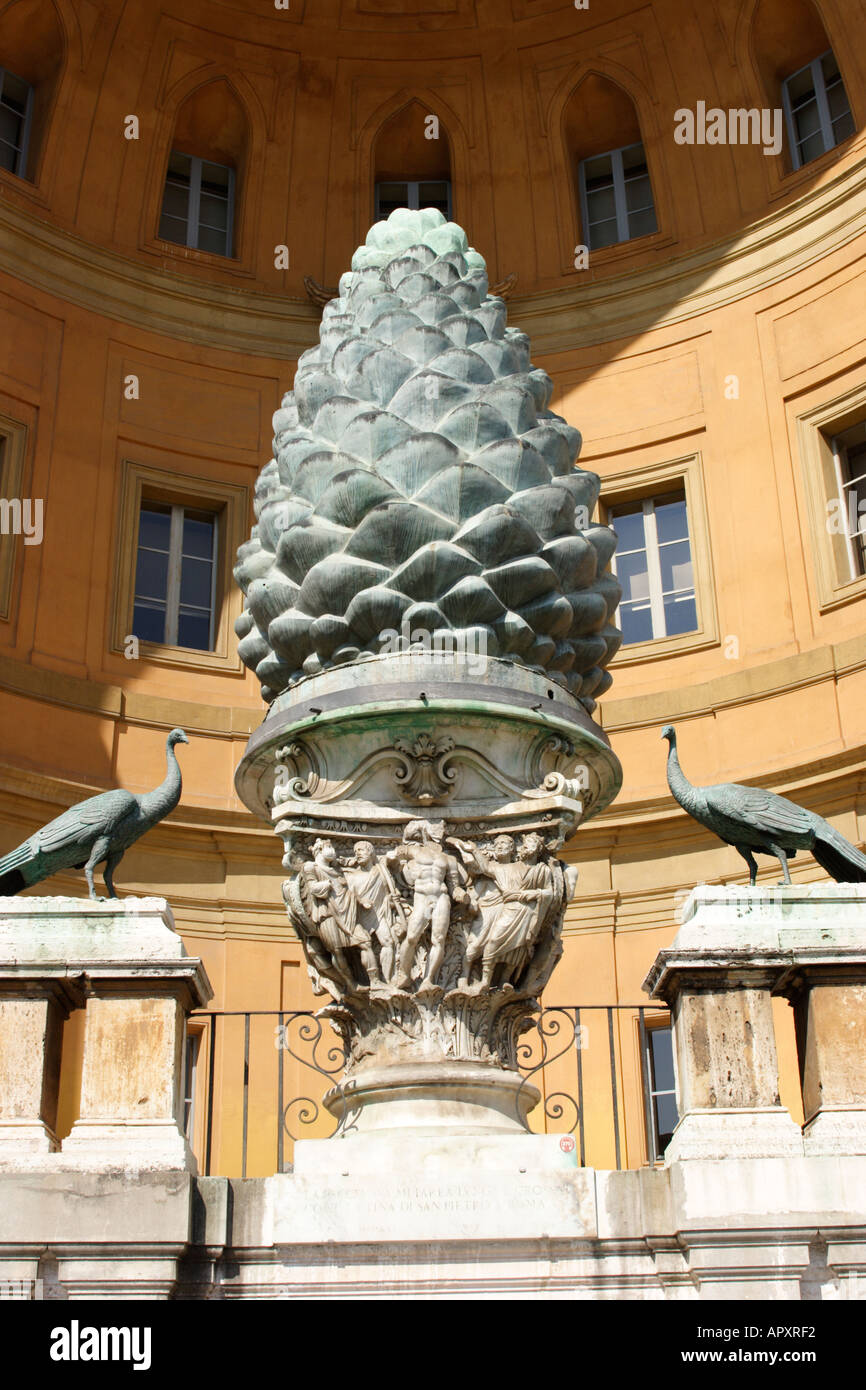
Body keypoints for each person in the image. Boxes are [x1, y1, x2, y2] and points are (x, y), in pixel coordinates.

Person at [452, 832, 554, 990]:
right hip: (510, 909)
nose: (526, 846)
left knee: (520, 947)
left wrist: (527, 894)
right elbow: (485, 867)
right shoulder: (508, 868)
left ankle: (505, 979)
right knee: (493, 942)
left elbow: (550, 893)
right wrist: (474, 850)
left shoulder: (542, 870)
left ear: (538, 849)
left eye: (531, 843)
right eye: (525, 843)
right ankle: (485, 980)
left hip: (527, 912)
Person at [387, 820, 469, 989]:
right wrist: (392, 860)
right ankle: (403, 973)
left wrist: (461, 895)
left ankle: (428, 979)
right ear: (425, 832)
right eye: (435, 828)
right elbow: (392, 862)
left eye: (441, 829)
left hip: (441, 898)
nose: (439, 833)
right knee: (411, 937)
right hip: (422, 898)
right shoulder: (414, 851)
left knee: (438, 939)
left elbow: (454, 887)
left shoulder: (449, 859)